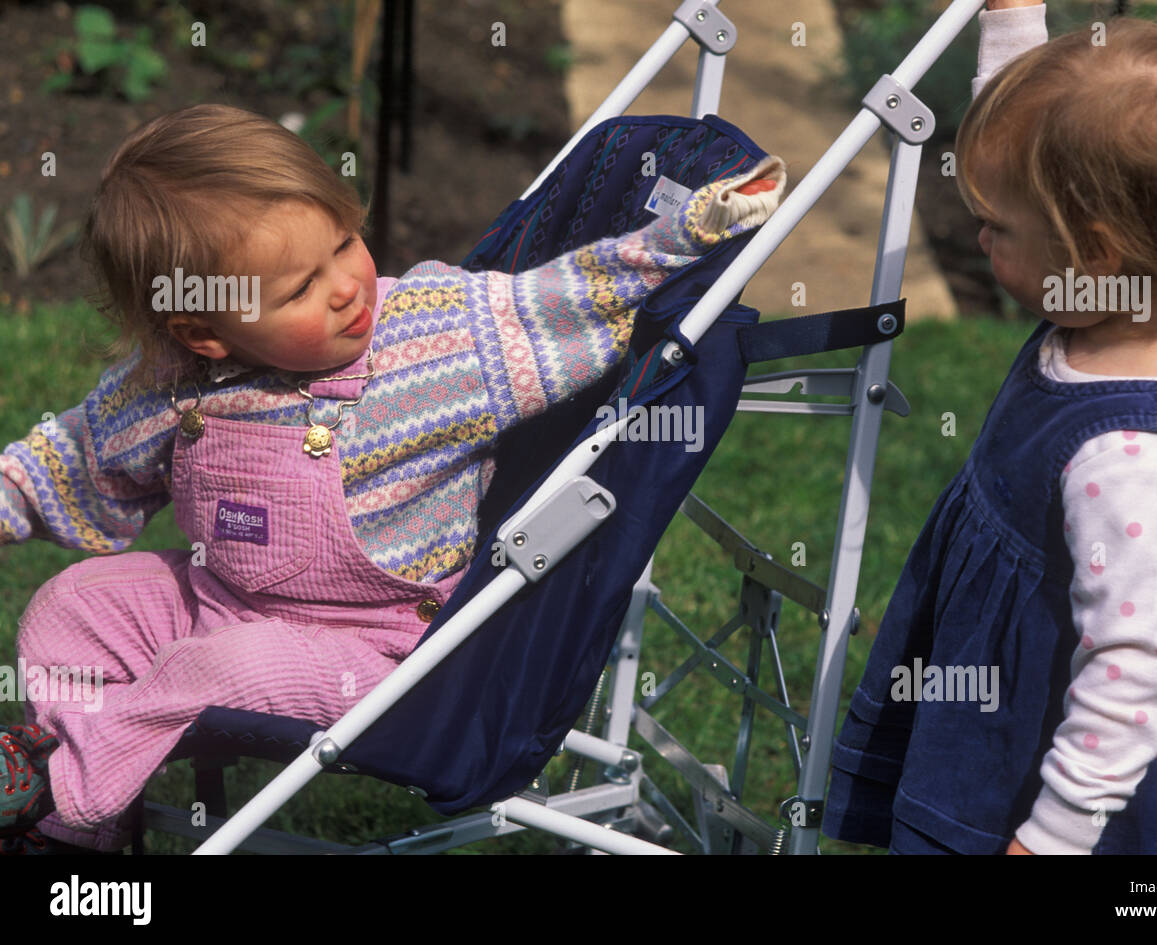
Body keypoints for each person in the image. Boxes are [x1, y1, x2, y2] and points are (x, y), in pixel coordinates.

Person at [0, 103, 786, 852]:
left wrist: (686, 233)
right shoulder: (170, 387)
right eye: (301, 288)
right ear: (204, 332)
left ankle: (56, 786)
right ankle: (84, 831)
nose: (347, 285)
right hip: (219, 603)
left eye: (345, 242)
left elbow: (560, 300)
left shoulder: (432, 338)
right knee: (67, 608)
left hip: (374, 657)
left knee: (212, 669)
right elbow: (75, 454)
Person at [824, 0, 1157, 854]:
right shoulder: (1148, 301)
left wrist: (1049, 835)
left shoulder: (1130, 457)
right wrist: (1010, 20)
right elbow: (1028, 141)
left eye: (998, 229)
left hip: (1055, 741)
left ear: (1096, 253)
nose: (979, 232)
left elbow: (1125, 683)